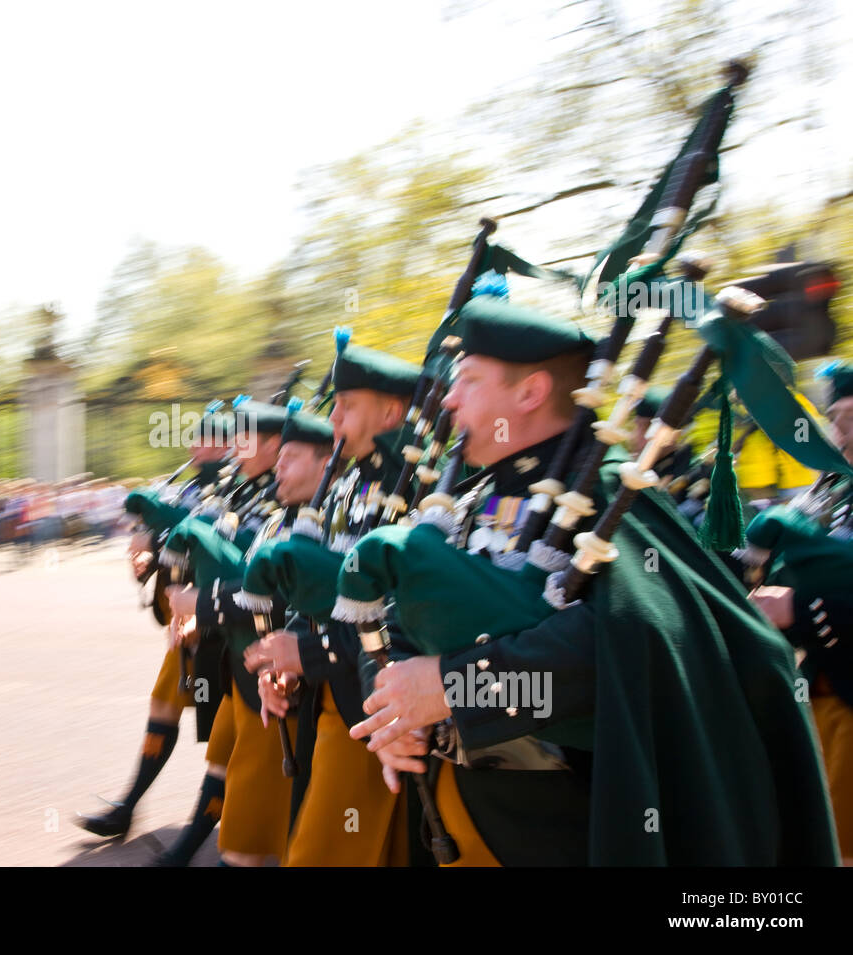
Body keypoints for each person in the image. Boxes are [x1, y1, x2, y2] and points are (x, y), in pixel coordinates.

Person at [348, 297, 839, 865]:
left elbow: (630, 639)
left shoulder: (612, 499)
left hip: (574, 823)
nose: (449, 399)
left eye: (470, 382)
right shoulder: (471, 498)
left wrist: (454, 687)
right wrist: (391, 709)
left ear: (529, 393)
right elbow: (399, 616)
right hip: (455, 812)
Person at [247, 343, 421, 866]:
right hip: (336, 700)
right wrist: (288, 657)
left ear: (391, 413)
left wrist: (309, 652)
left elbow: (398, 613)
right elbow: (325, 589)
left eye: (346, 404)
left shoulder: (417, 486)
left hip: (380, 706)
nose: (334, 418)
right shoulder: (348, 487)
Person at [76, 402, 264, 839]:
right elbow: (166, 542)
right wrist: (145, 552)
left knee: (226, 734)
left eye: (210, 439)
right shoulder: (187, 489)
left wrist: (164, 529)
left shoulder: (240, 490)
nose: (198, 447)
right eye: (196, 438)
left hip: (222, 625)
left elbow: (217, 542)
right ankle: (129, 804)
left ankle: (211, 833)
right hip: (185, 628)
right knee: (164, 707)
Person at [156, 400, 319, 866]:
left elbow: (280, 595)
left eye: (289, 455)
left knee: (258, 823)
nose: (232, 450)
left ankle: (187, 847)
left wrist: (202, 604)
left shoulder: (295, 509)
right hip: (244, 658)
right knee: (228, 765)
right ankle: (184, 845)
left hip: (283, 670)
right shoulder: (263, 507)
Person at [749, 362, 853, 862]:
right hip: (825, 693)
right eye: (836, 420)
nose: (838, 435)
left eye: (849, 420)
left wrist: (803, 610)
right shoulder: (835, 489)